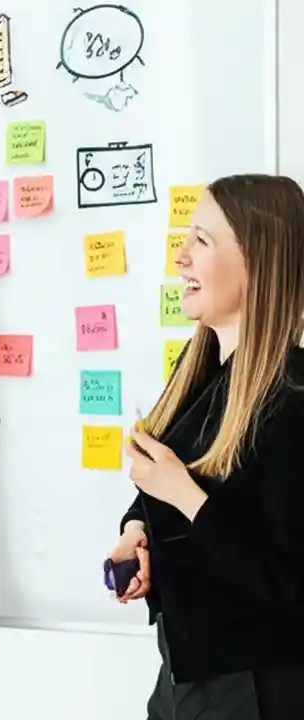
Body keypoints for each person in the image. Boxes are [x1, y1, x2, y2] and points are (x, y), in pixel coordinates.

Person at [107, 173, 304, 719]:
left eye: (202, 241)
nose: (181, 258)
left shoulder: (292, 397)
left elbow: (290, 581)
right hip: (184, 676)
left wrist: (188, 498)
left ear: (257, 262)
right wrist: (137, 532)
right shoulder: (196, 373)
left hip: (256, 690)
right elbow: (159, 484)